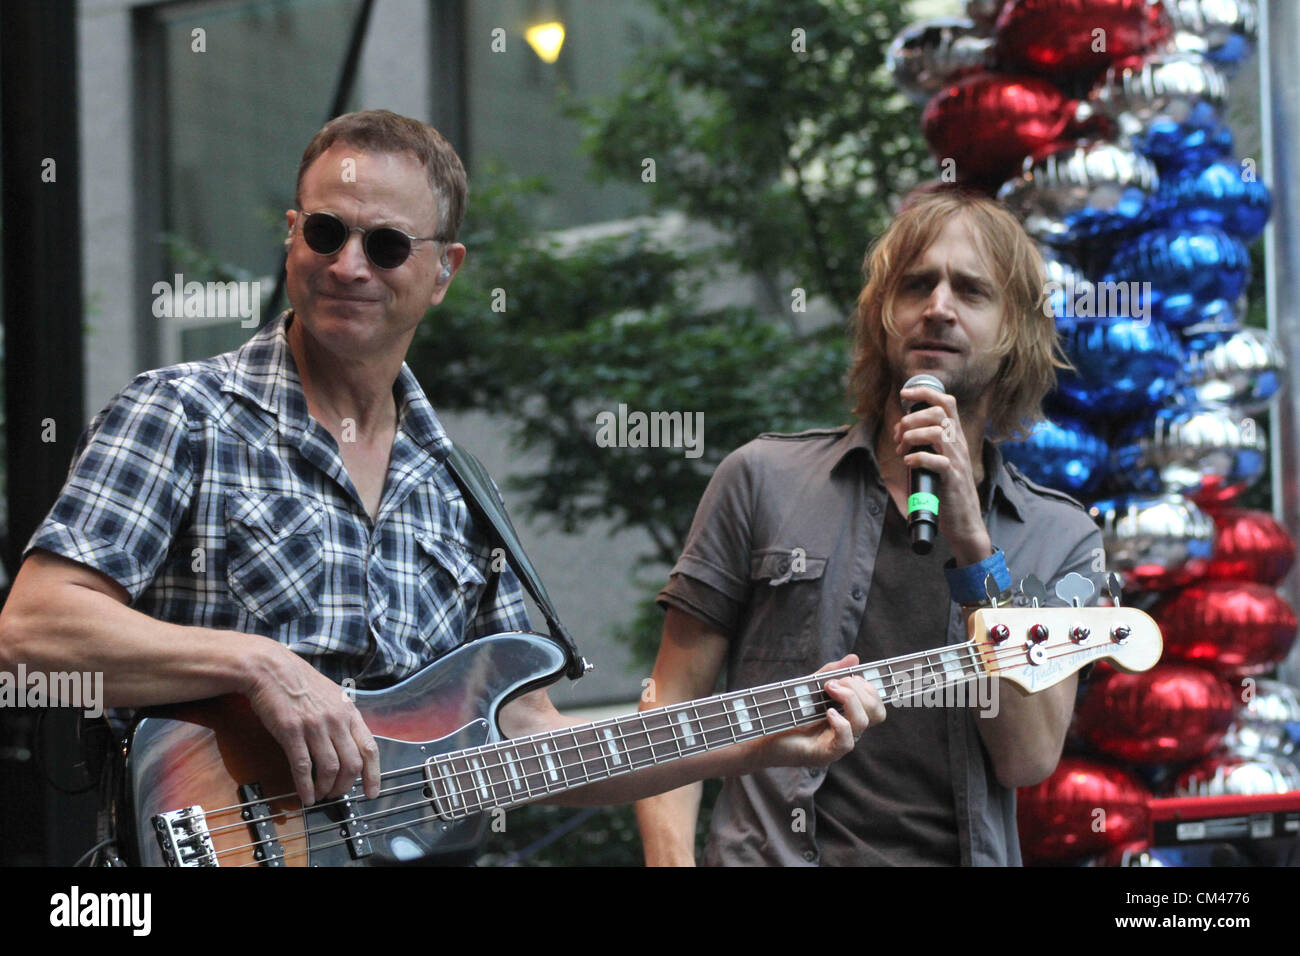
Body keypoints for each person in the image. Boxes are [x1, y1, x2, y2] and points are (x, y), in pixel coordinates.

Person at [0, 110, 882, 823]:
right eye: (325, 231)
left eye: (386, 245)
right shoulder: (179, 413)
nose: (349, 265)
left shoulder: (458, 491)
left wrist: (751, 742)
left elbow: (529, 746)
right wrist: (260, 665)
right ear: (291, 237)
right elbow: (29, 640)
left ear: (444, 271)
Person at [635, 188, 1106, 866]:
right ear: (883, 316)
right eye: (916, 285)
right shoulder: (761, 478)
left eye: (971, 291)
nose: (938, 307)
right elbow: (670, 708)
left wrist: (974, 548)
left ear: (1014, 335)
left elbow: (1026, 758)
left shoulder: (1062, 538)